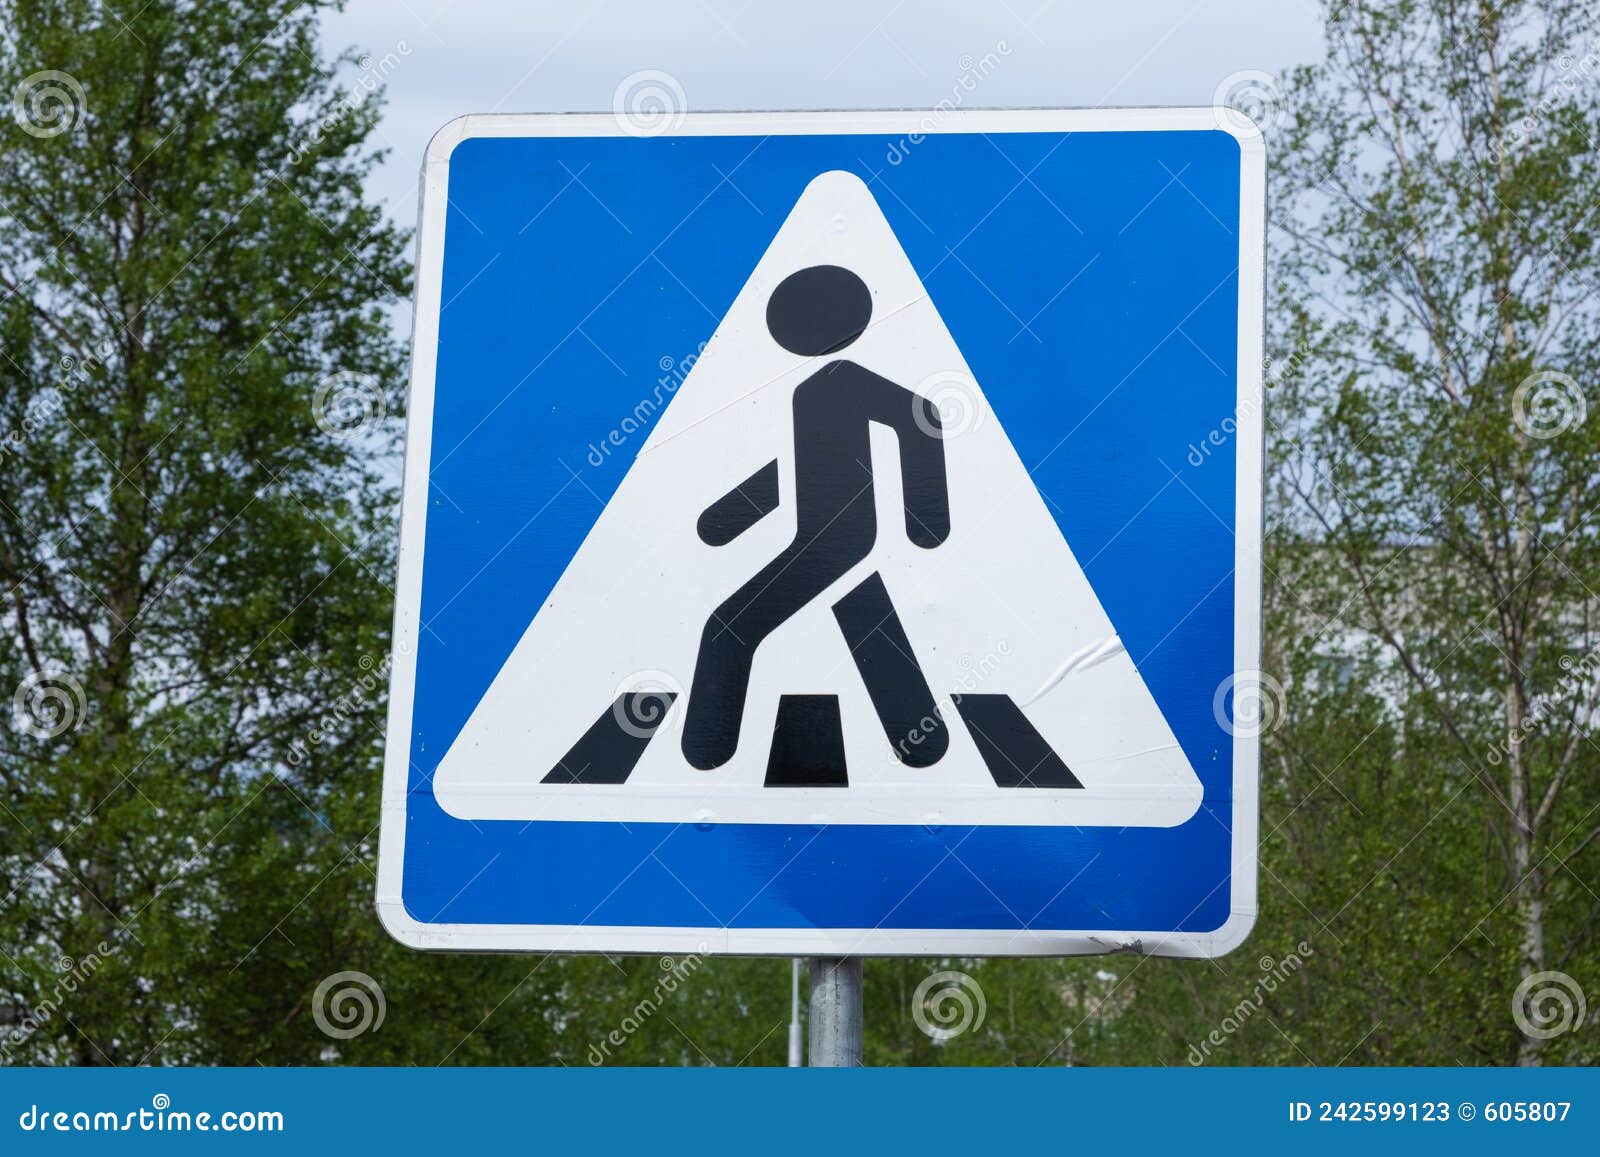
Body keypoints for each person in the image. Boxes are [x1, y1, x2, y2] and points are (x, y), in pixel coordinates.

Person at [682, 264, 952, 770]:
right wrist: (727, 518)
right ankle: (922, 743)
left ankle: (706, 754)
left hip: (839, 538)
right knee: (864, 614)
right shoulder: (809, 391)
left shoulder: (844, 379)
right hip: (825, 538)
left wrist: (927, 519)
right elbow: (800, 464)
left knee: (729, 630)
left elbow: (924, 421)